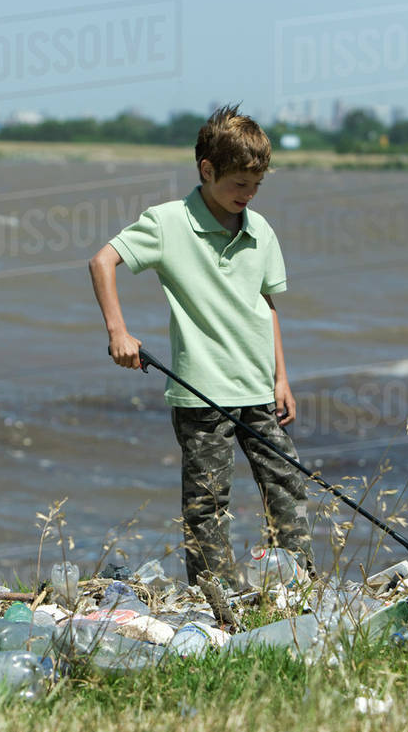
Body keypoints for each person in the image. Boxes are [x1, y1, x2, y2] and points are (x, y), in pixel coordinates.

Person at [88, 104, 312, 587]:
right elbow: (102, 261)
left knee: (289, 484)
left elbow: (266, 305)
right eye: (238, 185)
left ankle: (299, 587)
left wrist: (281, 378)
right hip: (202, 394)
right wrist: (117, 332)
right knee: (208, 505)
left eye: (256, 186)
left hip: (258, 388)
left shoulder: (260, 229)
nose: (248, 196)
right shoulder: (168, 222)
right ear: (207, 170)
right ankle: (217, 598)